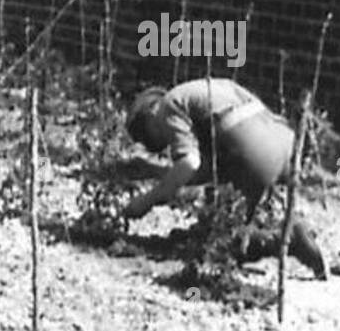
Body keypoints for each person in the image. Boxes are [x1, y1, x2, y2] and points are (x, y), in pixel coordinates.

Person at [122, 79, 328, 279]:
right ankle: (282, 235)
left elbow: (189, 163)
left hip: (253, 153)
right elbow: (209, 168)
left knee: (215, 245)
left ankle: (287, 239)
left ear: (151, 113)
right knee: (222, 222)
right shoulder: (208, 89)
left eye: (149, 134)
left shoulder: (167, 106)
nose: (161, 141)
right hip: (283, 144)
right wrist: (158, 173)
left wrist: (145, 201)